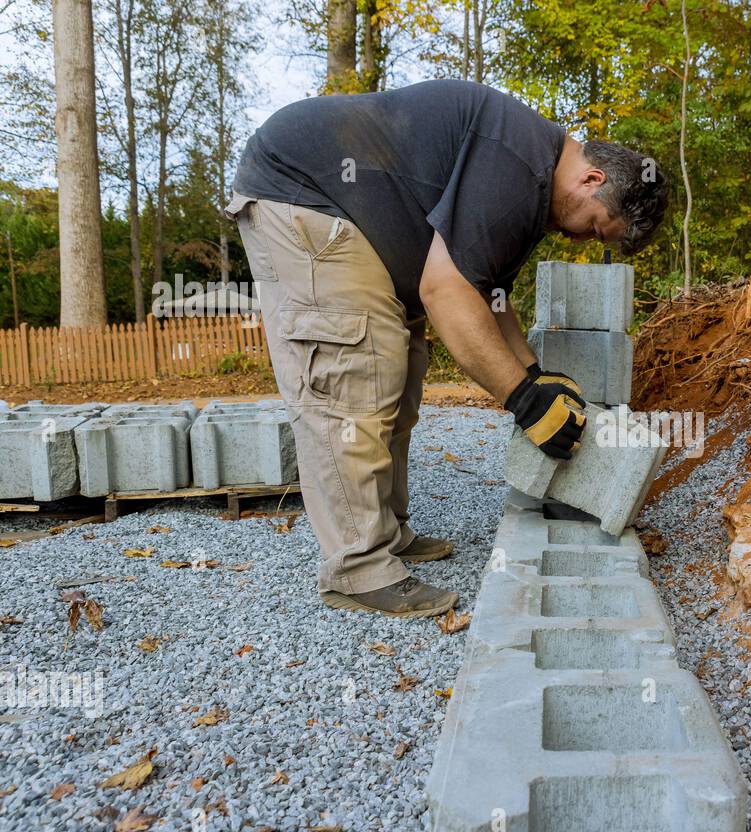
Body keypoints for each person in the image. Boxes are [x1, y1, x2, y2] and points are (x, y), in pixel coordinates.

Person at [225, 79, 668, 618]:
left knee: (401, 376)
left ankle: (384, 532)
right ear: (592, 179)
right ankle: (357, 567)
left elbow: (487, 295)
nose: (581, 241)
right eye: (596, 229)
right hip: (305, 195)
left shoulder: (528, 179)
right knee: (356, 378)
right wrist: (523, 401)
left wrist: (535, 376)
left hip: (353, 219)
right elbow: (445, 290)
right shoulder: (519, 162)